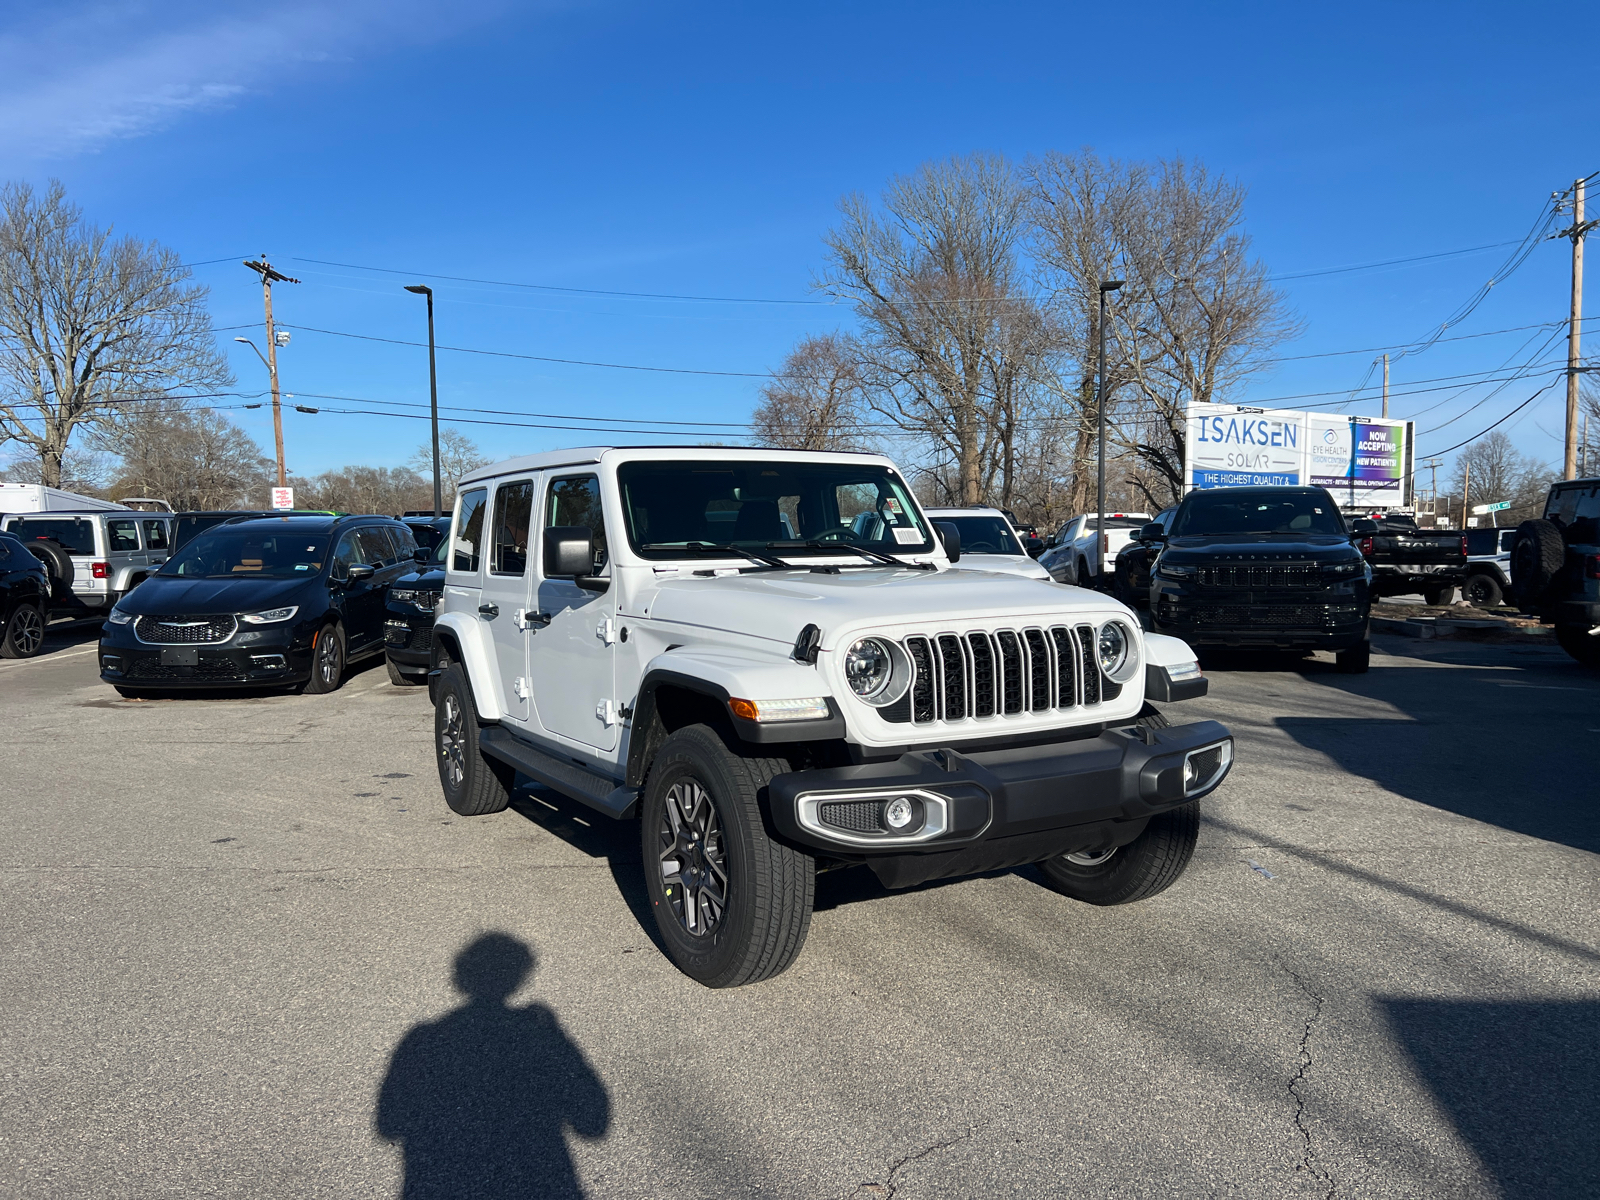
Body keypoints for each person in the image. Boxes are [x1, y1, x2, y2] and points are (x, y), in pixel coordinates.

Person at [376, 933, 610, 1199]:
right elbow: (593, 1122)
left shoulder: (422, 1040)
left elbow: (390, 1124)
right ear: (520, 978)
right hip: (535, 1184)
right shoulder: (537, 1033)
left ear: (461, 977)